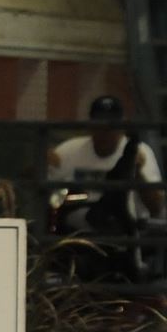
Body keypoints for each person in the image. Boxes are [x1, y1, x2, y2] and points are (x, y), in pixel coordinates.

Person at [47, 94, 165, 280]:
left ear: (121, 126)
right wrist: (41, 162)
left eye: (111, 126)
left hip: (122, 230)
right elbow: (36, 182)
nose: (105, 132)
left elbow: (156, 206)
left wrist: (139, 173)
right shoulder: (70, 150)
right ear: (91, 125)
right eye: (100, 125)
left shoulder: (138, 151)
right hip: (78, 230)